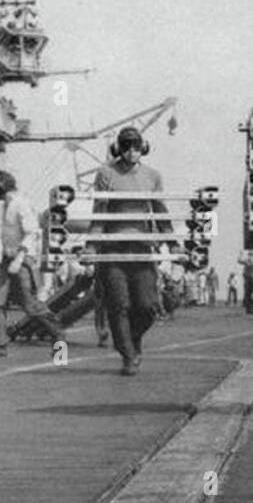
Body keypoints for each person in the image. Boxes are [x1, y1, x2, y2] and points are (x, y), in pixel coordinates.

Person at [90, 127, 170, 376]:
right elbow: (99, 213)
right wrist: (92, 245)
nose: (131, 152)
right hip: (113, 249)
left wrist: (172, 241)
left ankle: (130, 340)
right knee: (119, 305)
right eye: (126, 146)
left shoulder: (153, 176)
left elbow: (159, 210)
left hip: (142, 248)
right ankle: (128, 355)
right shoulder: (105, 173)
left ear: (143, 147)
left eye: (136, 146)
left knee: (147, 307)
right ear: (118, 148)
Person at [0, 171, 62, 360]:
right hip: (7, 260)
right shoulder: (6, 205)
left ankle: (59, 337)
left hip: (21, 260)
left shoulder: (20, 204)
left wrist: (19, 259)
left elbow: (32, 232)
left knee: (31, 307)